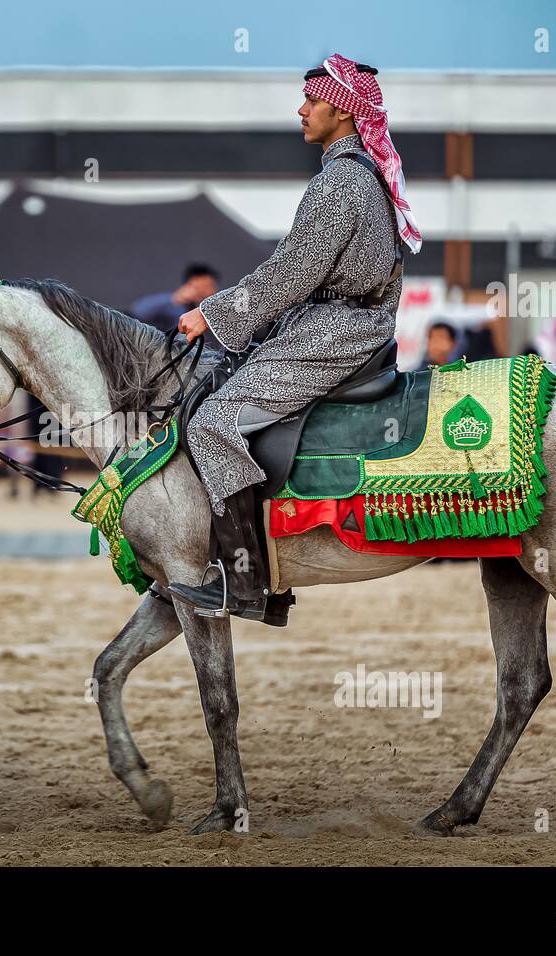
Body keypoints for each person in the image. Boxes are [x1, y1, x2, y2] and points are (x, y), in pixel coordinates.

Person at [168, 54, 421, 620]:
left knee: (212, 423)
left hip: (340, 330)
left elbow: (290, 274)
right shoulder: (357, 176)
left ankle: (247, 579)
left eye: (312, 99)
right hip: (340, 322)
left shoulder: (341, 182)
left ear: (343, 108)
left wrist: (213, 313)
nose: (301, 109)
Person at [131, 264, 221, 349]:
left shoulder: (220, 311)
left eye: (208, 287)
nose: (203, 292)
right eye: (198, 288)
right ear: (187, 287)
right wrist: (175, 298)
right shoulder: (176, 307)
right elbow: (139, 310)